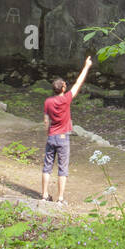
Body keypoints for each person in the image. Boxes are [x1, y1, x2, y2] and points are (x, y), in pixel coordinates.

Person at [41, 55, 92, 203]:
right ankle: (60, 198)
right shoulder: (66, 98)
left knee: (47, 167)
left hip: (51, 137)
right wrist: (87, 66)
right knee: (62, 169)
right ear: (63, 88)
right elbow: (78, 83)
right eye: (65, 85)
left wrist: (49, 133)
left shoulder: (47, 102)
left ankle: (44, 195)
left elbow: (46, 121)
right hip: (63, 137)